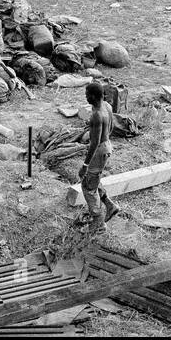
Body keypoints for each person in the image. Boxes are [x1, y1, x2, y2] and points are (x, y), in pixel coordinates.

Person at [77, 82, 120, 232]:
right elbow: (112, 127)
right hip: (107, 145)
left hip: (99, 151)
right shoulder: (107, 106)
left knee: (88, 186)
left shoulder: (96, 115)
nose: (86, 97)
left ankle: (98, 223)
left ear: (94, 96)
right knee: (94, 180)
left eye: (87, 94)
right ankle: (109, 205)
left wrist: (85, 165)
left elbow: (94, 143)